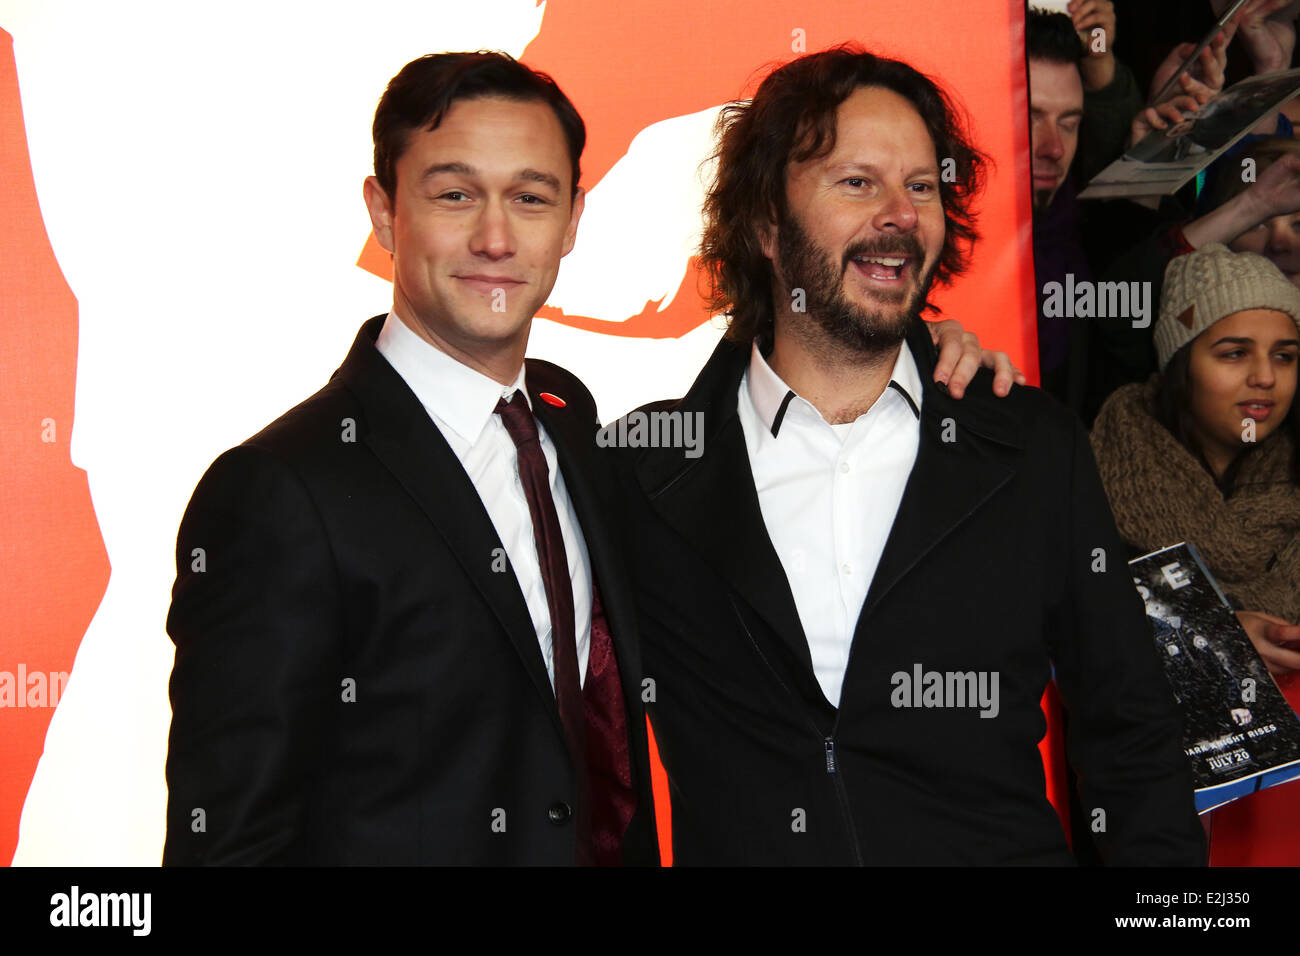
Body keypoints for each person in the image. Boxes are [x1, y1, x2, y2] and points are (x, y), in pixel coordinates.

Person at [162, 50, 1001, 866]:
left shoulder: (593, 453)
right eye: (454, 194)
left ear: (571, 224)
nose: (495, 237)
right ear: (384, 213)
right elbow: (227, 842)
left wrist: (910, 351)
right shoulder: (280, 489)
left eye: (530, 198)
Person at [615, 44, 1206, 865]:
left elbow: (1130, 729)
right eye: (858, 182)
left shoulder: (1030, 446)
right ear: (763, 225)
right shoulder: (640, 473)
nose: (901, 214)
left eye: (922, 186)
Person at [1090, 242, 1300, 865]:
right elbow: (1064, 627)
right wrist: (1209, 634)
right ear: (1179, 363)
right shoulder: (1090, 476)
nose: (1264, 376)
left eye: (1285, 356)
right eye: (1234, 353)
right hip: (1162, 829)